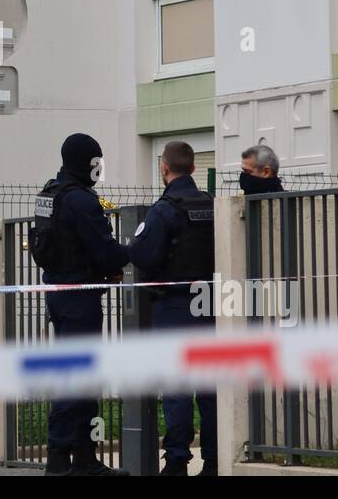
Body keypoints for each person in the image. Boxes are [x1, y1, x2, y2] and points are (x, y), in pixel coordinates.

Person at [33, 133, 130, 476]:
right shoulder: (81, 201)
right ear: (85, 163)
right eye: (95, 163)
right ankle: (62, 460)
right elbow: (104, 250)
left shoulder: (48, 195)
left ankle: (84, 457)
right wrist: (131, 250)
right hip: (80, 297)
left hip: (58, 294)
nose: (98, 169)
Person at [127, 141, 217, 476]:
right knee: (209, 390)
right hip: (209, 305)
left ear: (164, 168)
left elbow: (143, 254)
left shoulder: (164, 209)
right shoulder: (211, 204)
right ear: (193, 168)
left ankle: (177, 459)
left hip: (174, 306)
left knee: (177, 389)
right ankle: (214, 459)